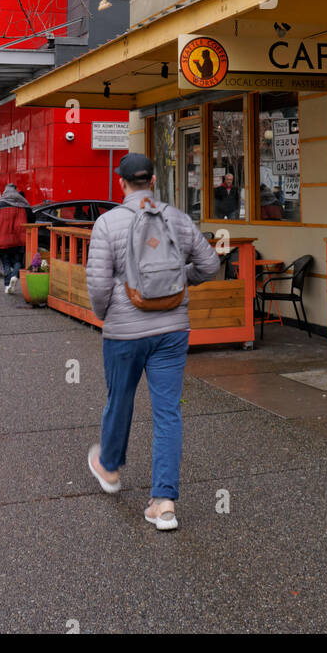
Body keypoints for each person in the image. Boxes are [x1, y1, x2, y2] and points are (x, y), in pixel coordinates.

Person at [86, 153, 219, 531]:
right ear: (154, 180)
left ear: (121, 183)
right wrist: (178, 281)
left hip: (124, 332)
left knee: (120, 399)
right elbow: (210, 265)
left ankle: (109, 469)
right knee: (167, 412)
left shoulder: (107, 223)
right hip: (172, 330)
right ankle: (163, 504)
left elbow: (97, 284)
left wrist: (106, 313)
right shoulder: (177, 218)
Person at [0, 183, 33, 294]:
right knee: (18, 261)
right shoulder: (23, 203)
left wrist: (0, 227)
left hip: (3, 238)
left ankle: (7, 284)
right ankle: (14, 276)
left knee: (6, 262)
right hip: (20, 239)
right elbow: (32, 219)